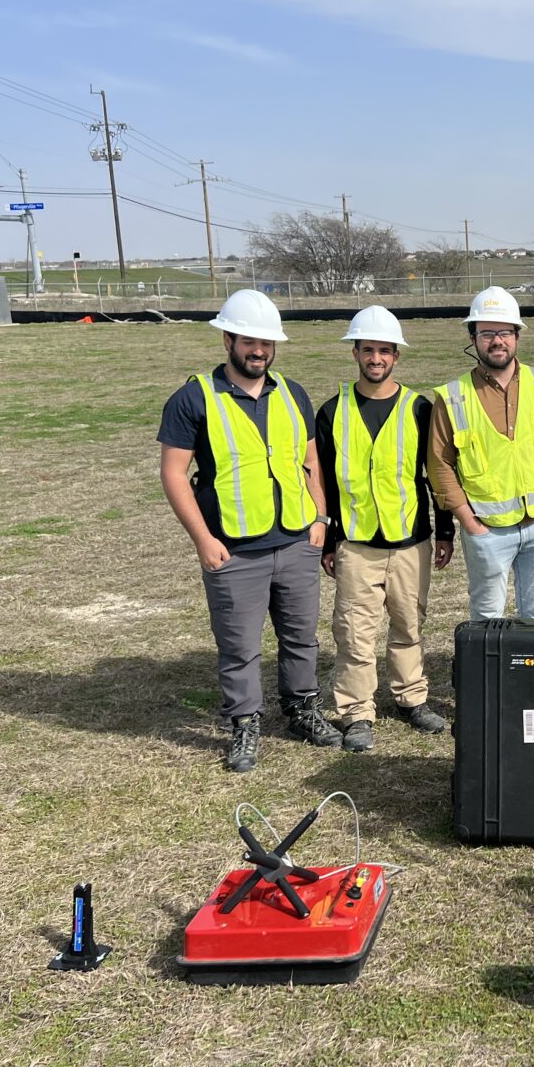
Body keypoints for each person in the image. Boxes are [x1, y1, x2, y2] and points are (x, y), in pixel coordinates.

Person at [157, 289, 341, 773]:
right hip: (234, 551)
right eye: (249, 341)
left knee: (302, 638)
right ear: (227, 339)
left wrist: (319, 519)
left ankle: (302, 708)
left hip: (297, 541)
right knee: (239, 647)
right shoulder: (193, 397)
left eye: (267, 342)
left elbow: (309, 462)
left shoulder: (292, 392)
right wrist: (204, 540)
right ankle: (244, 722)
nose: (259, 350)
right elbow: (174, 474)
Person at [316, 306, 455, 753]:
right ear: (355, 352)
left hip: (411, 541)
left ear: (396, 356)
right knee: (355, 631)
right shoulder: (332, 410)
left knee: (409, 622)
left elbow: (437, 474)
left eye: (384, 350)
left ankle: (411, 697)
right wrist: (331, 539)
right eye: (368, 349)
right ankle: (357, 711)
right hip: (356, 544)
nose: (376, 357)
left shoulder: (419, 408)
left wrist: (445, 531)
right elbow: (325, 481)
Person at [427, 286, 534, 620]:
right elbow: (440, 465)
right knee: (487, 614)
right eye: (487, 333)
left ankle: (529, 672)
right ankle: (491, 674)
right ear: (473, 337)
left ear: (517, 336)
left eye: (505, 332)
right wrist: (469, 522)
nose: (498, 341)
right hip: (487, 529)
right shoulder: (452, 397)